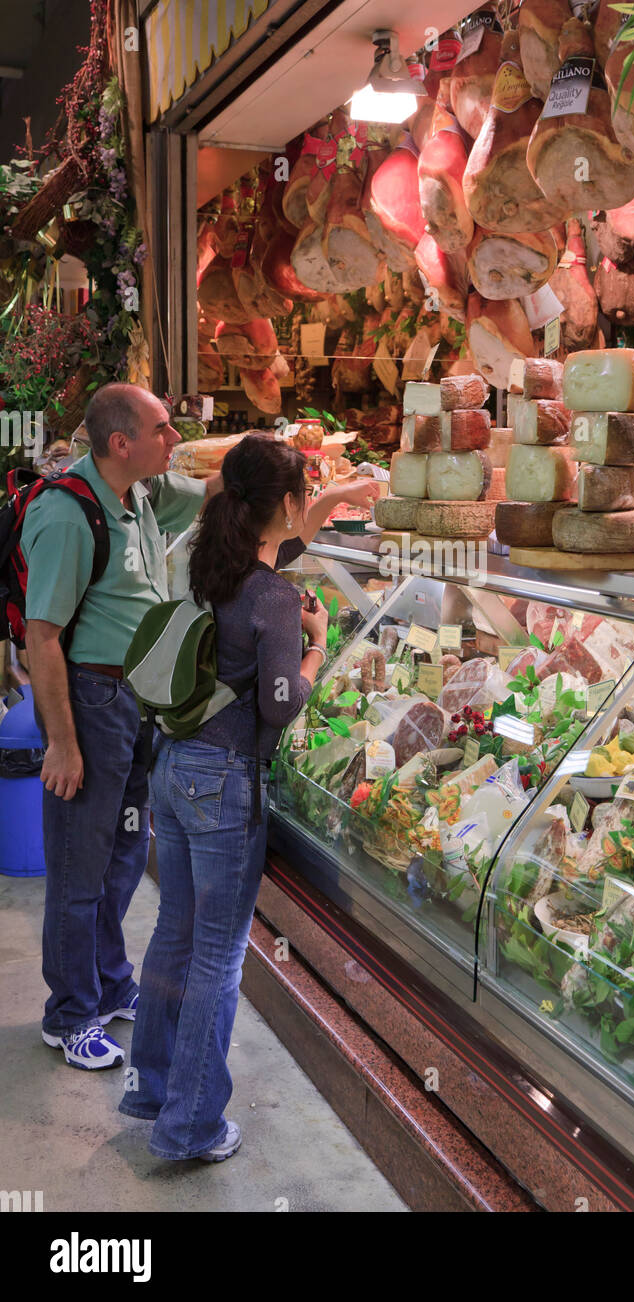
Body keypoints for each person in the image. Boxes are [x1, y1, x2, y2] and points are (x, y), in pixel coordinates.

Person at [118, 433, 326, 1162]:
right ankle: (191, 1128)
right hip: (224, 781)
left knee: (174, 932)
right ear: (290, 505)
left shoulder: (214, 564)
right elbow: (277, 703)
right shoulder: (271, 594)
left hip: (174, 768)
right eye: (306, 497)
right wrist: (315, 650)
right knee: (217, 955)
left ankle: (152, 1091)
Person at [22, 384, 220, 1072]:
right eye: (165, 430)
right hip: (91, 703)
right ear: (120, 443)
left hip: (138, 701)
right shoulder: (66, 517)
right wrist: (62, 742)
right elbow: (41, 638)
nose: (176, 441)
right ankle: (69, 1015)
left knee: (123, 859)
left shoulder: (141, 493)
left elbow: (218, 488)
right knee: (80, 868)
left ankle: (109, 985)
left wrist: (285, 466)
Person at [276, 472, 381, 570]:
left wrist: (336, 495)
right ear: (289, 503)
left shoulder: (267, 555)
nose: (308, 499)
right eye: (306, 491)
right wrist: (337, 495)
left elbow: (292, 546)